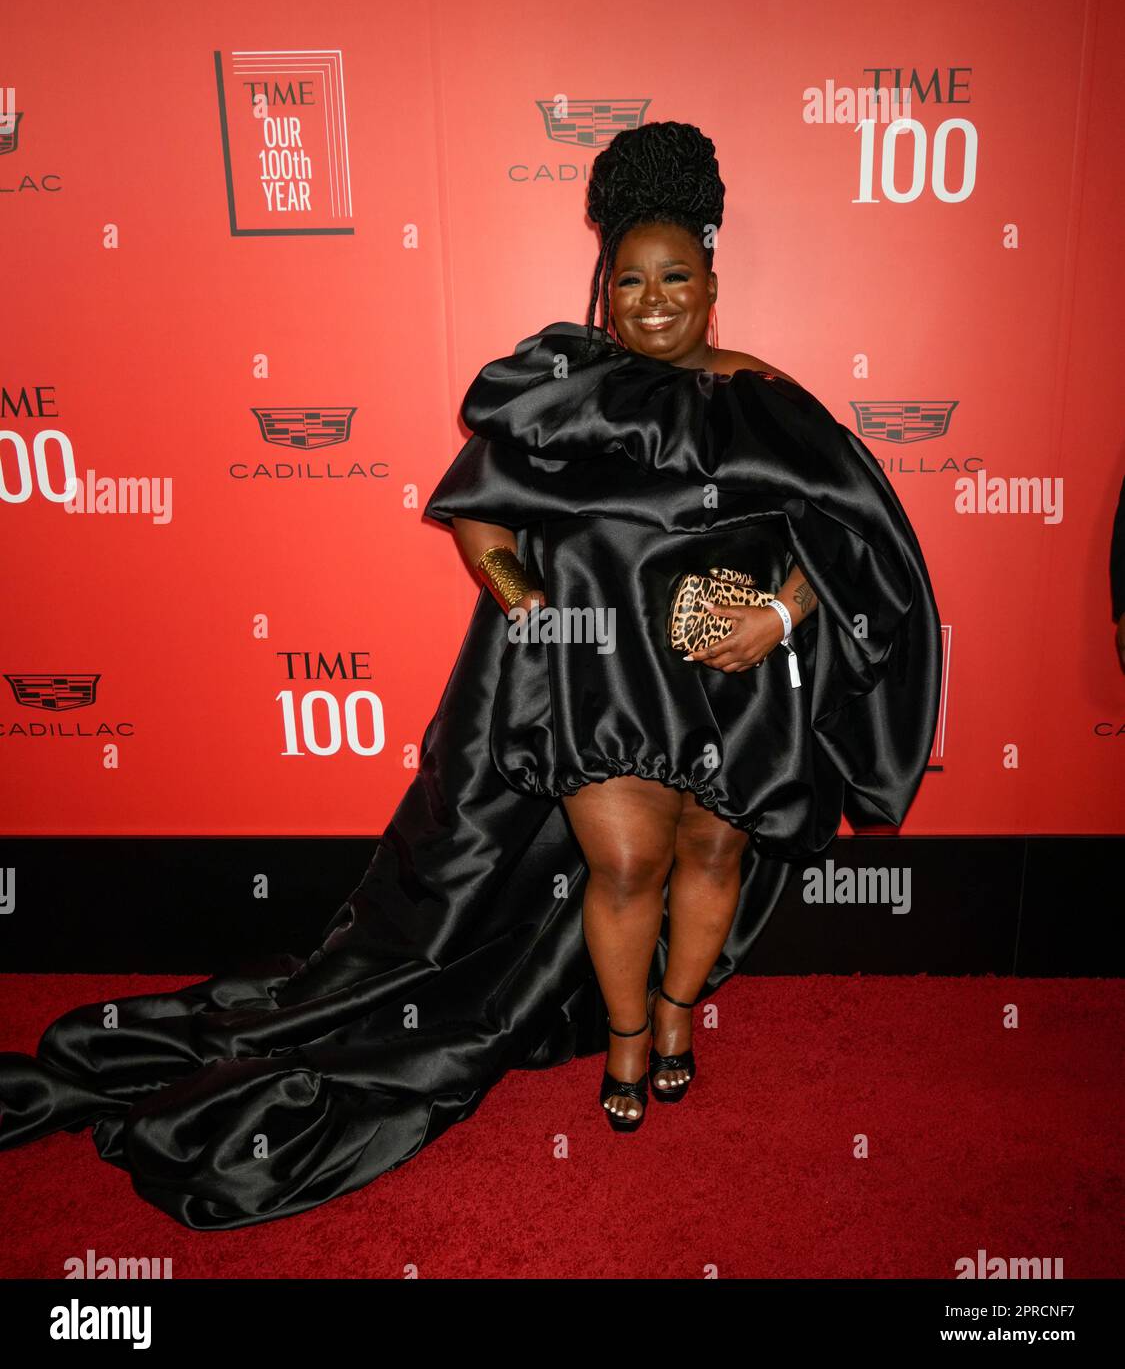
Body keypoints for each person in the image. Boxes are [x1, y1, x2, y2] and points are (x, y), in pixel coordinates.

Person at [0, 122, 942, 1228]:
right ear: (605, 285)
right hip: (603, 689)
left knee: (711, 849)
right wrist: (526, 603)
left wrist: (779, 617)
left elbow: (854, 537)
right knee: (626, 863)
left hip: (735, 687)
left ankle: (681, 1015)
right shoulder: (562, 387)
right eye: (629, 279)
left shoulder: (765, 392)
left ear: (712, 280)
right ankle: (627, 1042)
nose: (651, 299)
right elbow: (480, 511)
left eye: (674, 276)